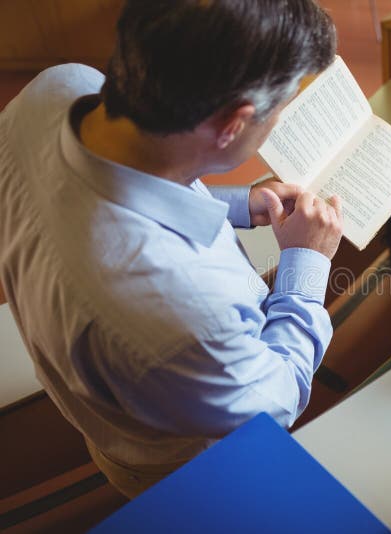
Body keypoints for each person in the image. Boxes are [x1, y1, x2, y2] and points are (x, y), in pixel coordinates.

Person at [0, 0, 342, 498]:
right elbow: (275, 399)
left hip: (108, 391)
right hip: (188, 467)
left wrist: (235, 204)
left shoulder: (58, 87)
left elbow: (107, 185)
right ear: (232, 123)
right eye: (282, 109)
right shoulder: (179, 311)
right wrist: (305, 265)